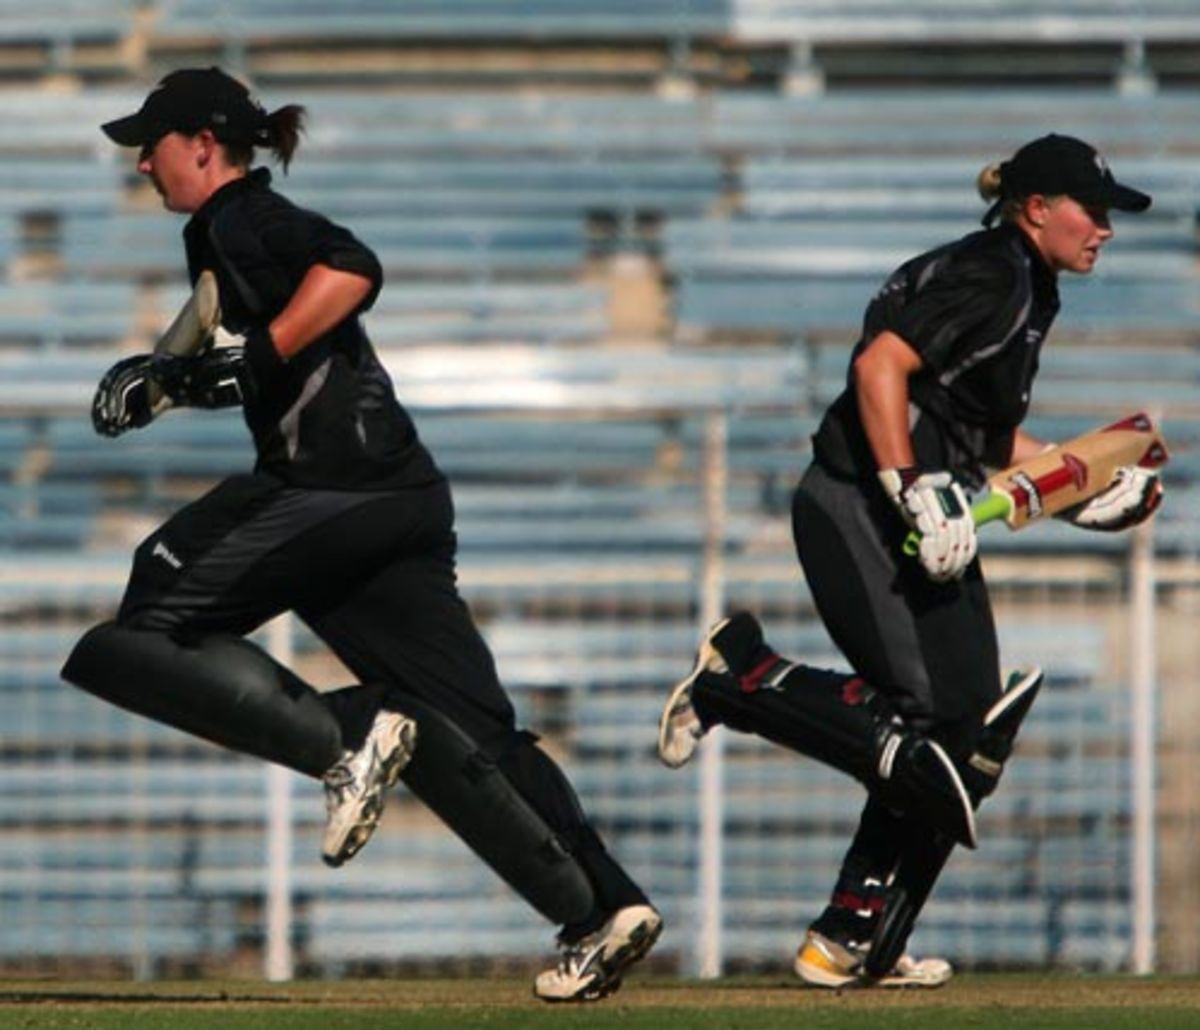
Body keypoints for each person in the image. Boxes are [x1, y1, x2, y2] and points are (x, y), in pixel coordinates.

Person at [61, 67, 660, 1002]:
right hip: (400, 493)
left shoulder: (233, 219)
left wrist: (249, 358)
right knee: (474, 728)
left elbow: (351, 269)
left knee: (143, 617)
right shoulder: (229, 232)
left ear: (204, 146)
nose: (142, 161)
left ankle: (349, 733)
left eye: (155, 142)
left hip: (331, 487)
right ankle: (605, 908)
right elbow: (255, 349)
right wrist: (170, 380)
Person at [657, 134, 1162, 987]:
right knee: (930, 717)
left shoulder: (1030, 285)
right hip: (861, 501)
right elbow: (878, 366)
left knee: (965, 735)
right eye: (1093, 210)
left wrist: (1079, 489)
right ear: (1036, 209)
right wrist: (910, 484)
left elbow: (982, 432)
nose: (1105, 229)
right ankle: (737, 678)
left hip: (921, 512)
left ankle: (851, 938)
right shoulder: (993, 271)